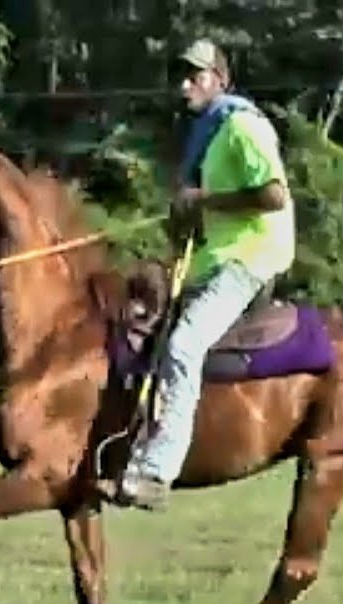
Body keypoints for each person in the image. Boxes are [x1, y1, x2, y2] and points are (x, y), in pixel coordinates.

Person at [106, 39, 296, 511]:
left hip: (252, 257)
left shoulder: (242, 124)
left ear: (221, 80)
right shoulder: (206, 136)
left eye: (196, 76)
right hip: (213, 259)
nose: (184, 85)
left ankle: (157, 473)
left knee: (184, 345)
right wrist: (183, 217)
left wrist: (204, 200)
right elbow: (204, 212)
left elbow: (274, 195)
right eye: (181, 76)